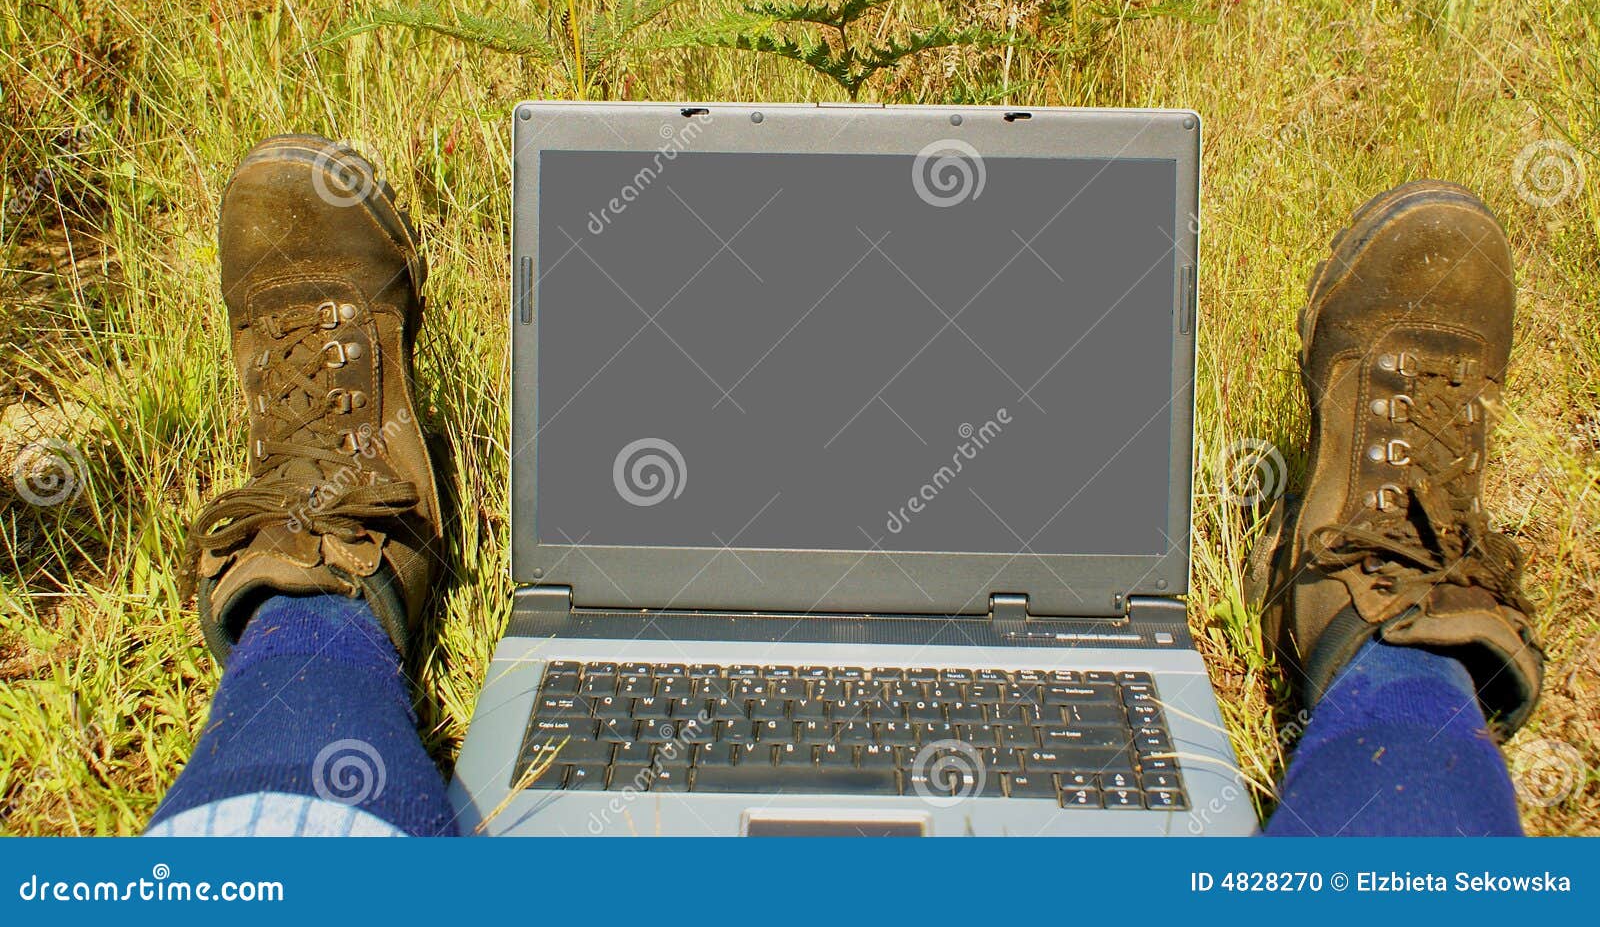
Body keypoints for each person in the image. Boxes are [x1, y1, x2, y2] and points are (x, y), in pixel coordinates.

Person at [145, 139, 1543, 837]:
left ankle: (322, 609)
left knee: (272, 860)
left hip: (1060, 673)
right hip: (625, 651)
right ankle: (1391, 657)